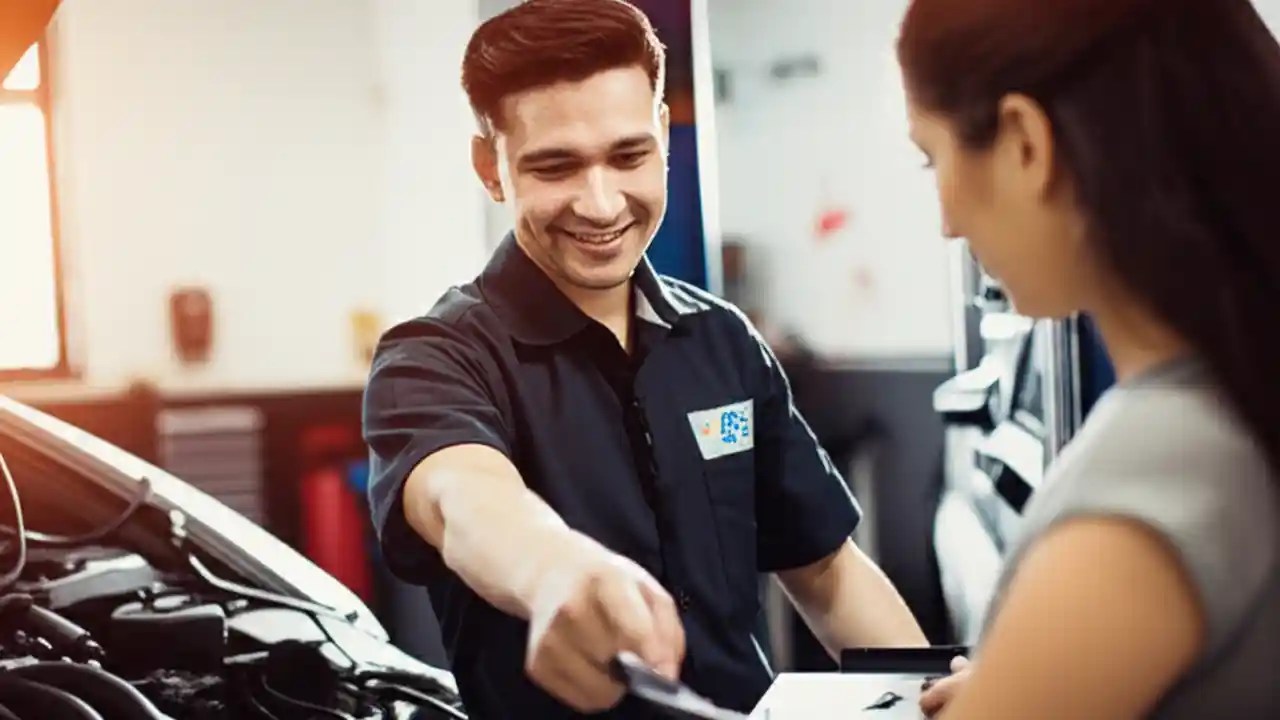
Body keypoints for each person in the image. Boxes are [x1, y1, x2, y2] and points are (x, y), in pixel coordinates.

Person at [362, 0, 927, 717]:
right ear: (491, 167)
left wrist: (928, 697)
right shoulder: (435, 357)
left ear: (663, 137)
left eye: (628, 156)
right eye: (556, 166)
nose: (601, 204)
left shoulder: (722, 340)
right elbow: (465, 501)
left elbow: (825, 570)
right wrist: (555, 571)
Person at [897, 0, 1280, 717]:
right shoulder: (1235, 395)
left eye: (934, 156)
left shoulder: (1160, 464)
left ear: (1024, 144)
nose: (947, 223)